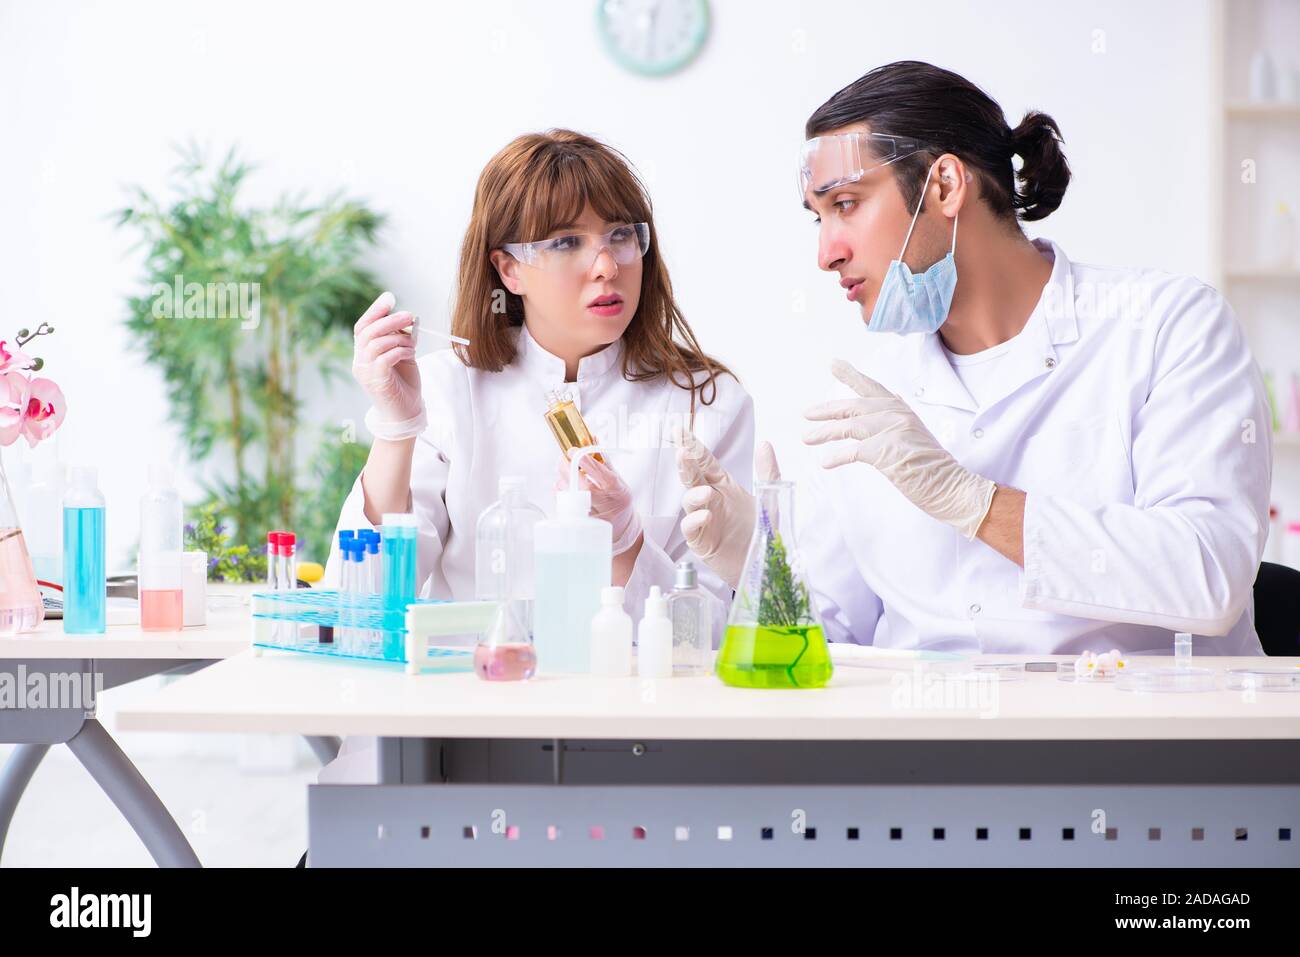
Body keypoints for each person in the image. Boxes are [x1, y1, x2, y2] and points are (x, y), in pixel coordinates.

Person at [677, 61, 1271, 655]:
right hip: (927, 741)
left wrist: (976, 503)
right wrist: (752, 562)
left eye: (847, 204)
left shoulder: (1165, 326)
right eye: (819, 216)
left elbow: (1209, 576)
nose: (826, 253)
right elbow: (836, 639)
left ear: (943, 187)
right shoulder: (869, 399)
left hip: (1139, 735)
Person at [322, 129, 753, 781]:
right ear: (507, 268)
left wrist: (628, 542)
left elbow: (720, 635)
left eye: (621, 234)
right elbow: (364, 610)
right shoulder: (447, 388)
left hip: (643, 749)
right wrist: (396, 428)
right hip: (464, 741)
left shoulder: (709, 402)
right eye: (566, 243)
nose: (606, 265)